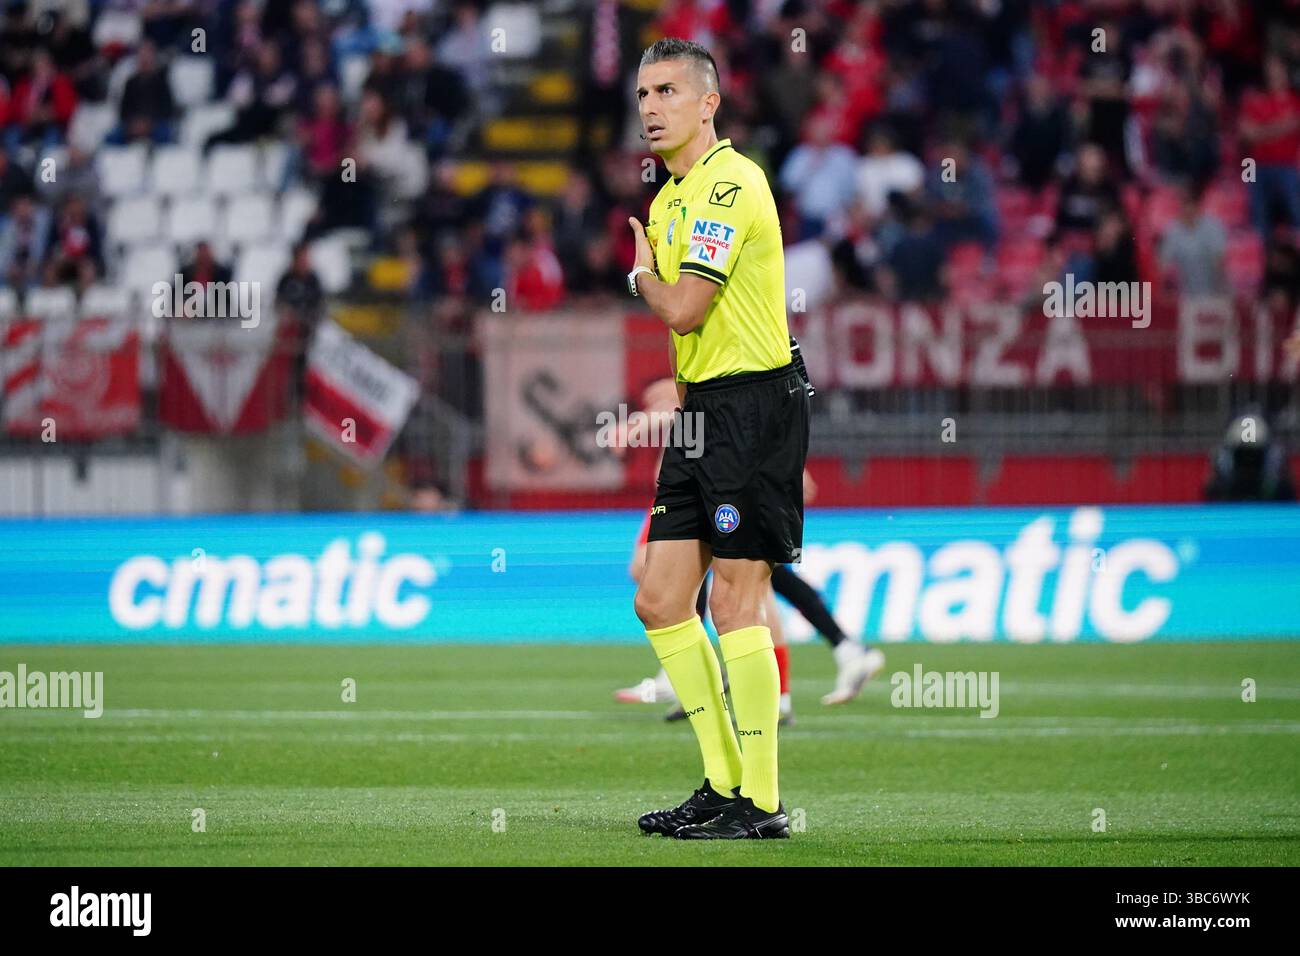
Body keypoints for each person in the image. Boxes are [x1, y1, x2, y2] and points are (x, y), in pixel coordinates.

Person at [625, 38, 808, 839]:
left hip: (754, 407)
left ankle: (761, 804)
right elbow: (683, 331)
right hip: (704, 410)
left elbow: (684, 309)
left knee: (737, 604)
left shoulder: (732, 184)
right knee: (661, 598)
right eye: (641, 95)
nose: (650, 108)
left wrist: (641, 278)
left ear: (708, 103)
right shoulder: (669, 201)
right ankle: (720, 779)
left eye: (667, 91)